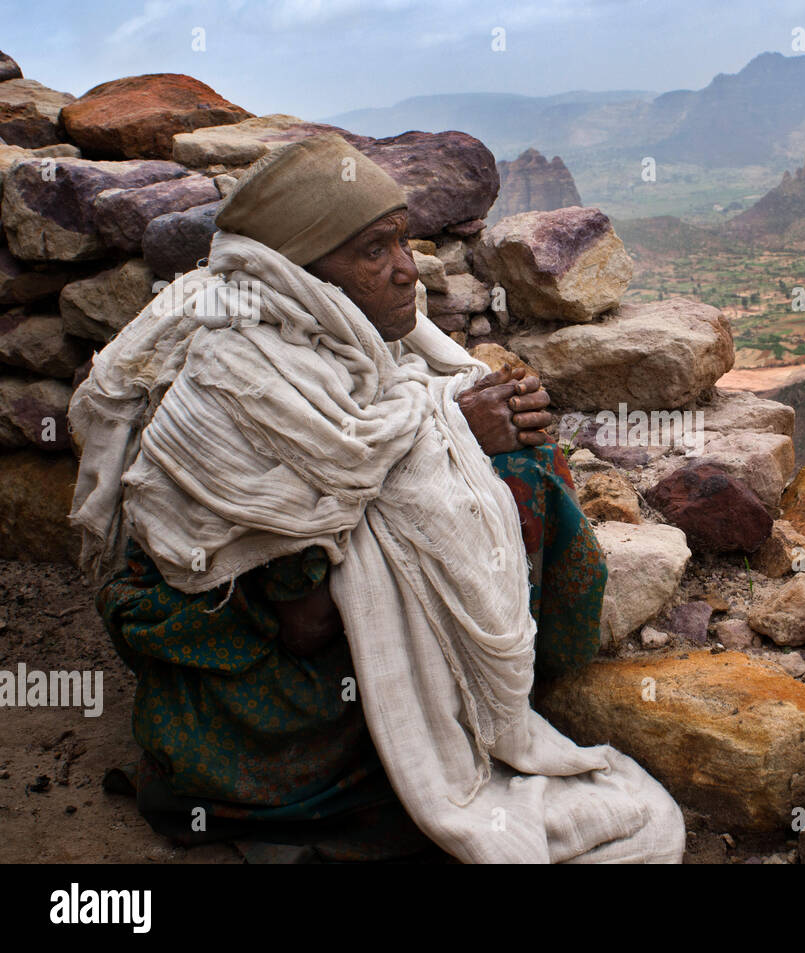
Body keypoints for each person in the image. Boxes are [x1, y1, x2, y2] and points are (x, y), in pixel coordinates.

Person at [69, 133, 685, 863]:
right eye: (373, 251)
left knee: (519, 463)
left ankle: (494, 693)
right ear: (298, 271)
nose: (404, 273)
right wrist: (456, 432)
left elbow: (387, 417)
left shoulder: (327, 332)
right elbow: (304, 625)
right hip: (250, 700)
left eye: (403, 243)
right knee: (503, 477)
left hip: (291, 647)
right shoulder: (242, 384)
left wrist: (462, 421)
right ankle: (448, 726)